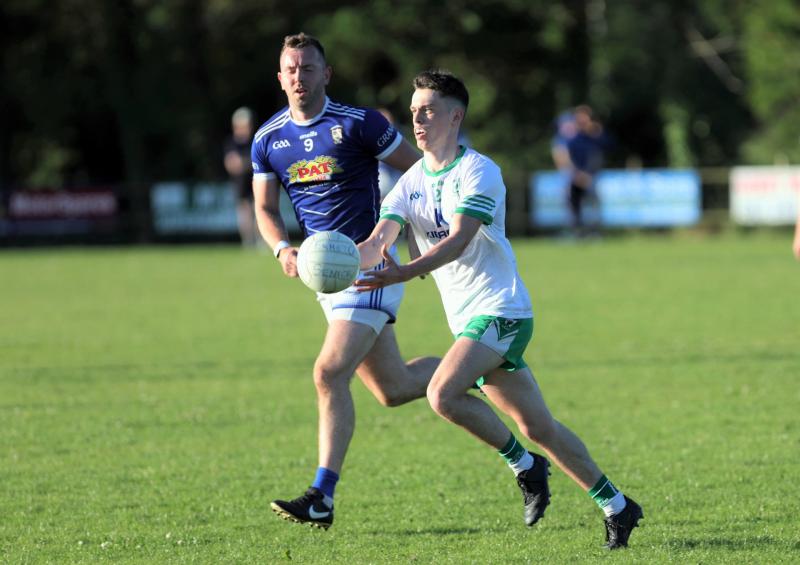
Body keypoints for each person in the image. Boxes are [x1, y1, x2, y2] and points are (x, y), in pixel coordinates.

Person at [356, 70, 643, 549]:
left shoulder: (479, 171)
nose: (417, 121)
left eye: (427, 111)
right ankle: (617, 504)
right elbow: (378, 240)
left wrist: (406, 271)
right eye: (413, 113)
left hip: (503, 309)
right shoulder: (410, 181)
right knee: (538, 426)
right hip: (467, 320)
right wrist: (332, 261)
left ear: (455, 115)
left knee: (442, 393)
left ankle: (522, 465)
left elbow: (460, 238)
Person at [250, 32, 439, 530]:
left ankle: (322, 496)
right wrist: (281, 249)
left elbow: (421, 171)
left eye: (308, 68)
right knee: (393, 388)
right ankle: (478, 370)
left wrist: (403, 232)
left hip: (370, 267)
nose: (299, 77)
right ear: (280, 76)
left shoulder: (359, 124)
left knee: (328, 372)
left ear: (325, 74)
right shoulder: (268, 139)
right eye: (290, 69)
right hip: (325, 277)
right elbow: (265, 209)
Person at [554, 105, 608, 237]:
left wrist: (587, 174)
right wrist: (576, 174)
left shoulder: (593, 135)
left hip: (590, 176)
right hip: (574, 176)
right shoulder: (568, 138)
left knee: (593, 204)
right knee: (573, 206)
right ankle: (576, 232)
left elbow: (599, 152)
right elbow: (563, 157)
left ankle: (594, 232)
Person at [223, 107, 258, 246]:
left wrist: (244, 163)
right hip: (240, 184)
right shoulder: (231, 143)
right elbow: (232, 164)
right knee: (245, 212)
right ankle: (248, 241)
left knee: (259, 210)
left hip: (256, 181)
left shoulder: (255, 140)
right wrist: (247, 162)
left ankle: (260, 241)